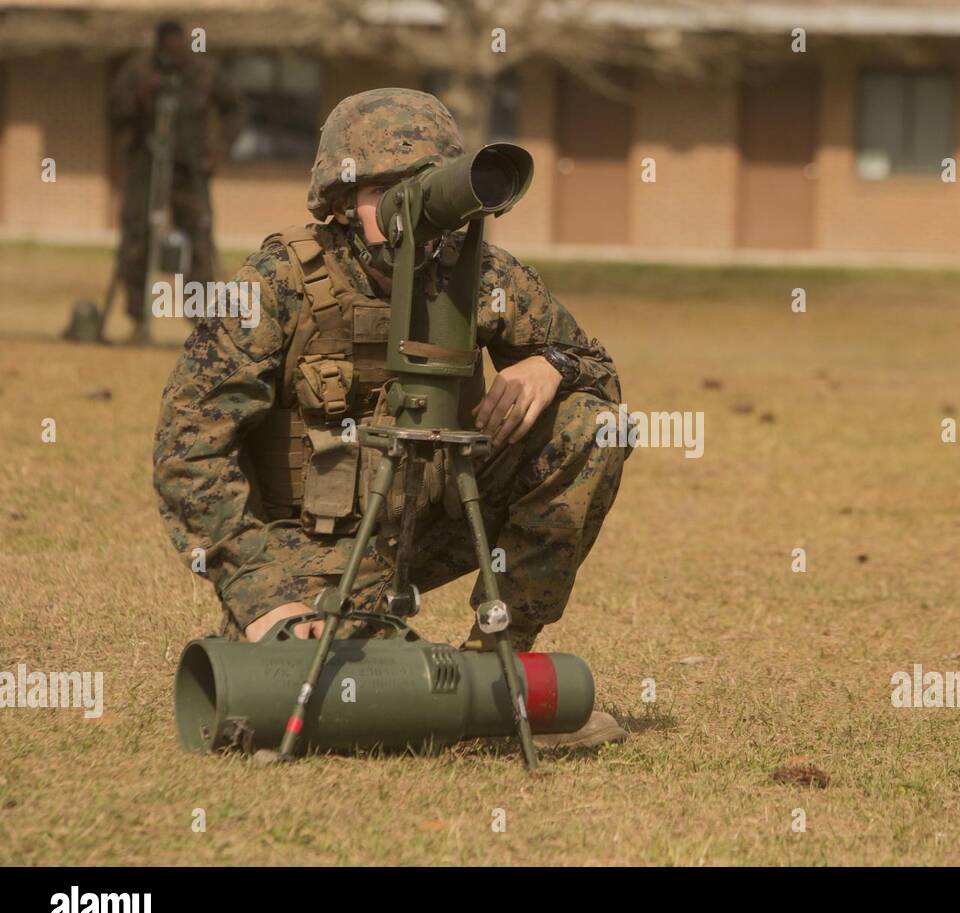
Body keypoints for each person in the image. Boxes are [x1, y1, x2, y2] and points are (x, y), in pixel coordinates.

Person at [153, 88, 628, 747]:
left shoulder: (479, 274)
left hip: (432, 521)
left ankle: (499, 666)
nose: (413, 209)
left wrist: (550, 365)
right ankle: (325, 642)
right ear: (342, 197)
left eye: (427, 185)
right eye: (387, 189)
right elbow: (190, 450)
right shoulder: (278, 283)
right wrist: (262, 595)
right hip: (314, 546)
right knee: (344, 698)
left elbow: (593, 364)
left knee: (594, 424)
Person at [109, 19, 242, 342]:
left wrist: (218, 151)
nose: (171, 53)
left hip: (190, 169)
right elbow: (114, 113)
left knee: (199, 237)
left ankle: (202, 323)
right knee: (136, 236)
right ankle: (138, 319)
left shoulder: (205, 72)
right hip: (146, 162)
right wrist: (140, 98)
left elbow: (234, 108)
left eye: (177, 46)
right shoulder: (138, 70)